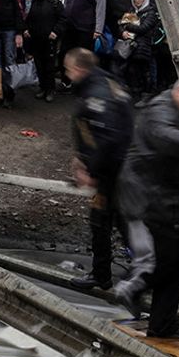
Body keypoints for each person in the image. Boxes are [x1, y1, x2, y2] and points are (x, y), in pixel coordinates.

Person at [115, 65, 179, 336]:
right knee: (168, 260)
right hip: (150, 200)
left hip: (173, 201)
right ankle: (133, 286)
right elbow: (165, 137)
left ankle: (162, 323)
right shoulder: (159, 109)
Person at [66, 48, 135, 292]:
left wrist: (91, 171)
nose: (68, 75)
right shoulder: (106, 83)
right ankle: (103, 273)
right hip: (116, 168)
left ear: (78, 69)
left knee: (118, 223)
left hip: (113, 171)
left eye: (69, 70)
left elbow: (106, 137)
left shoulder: (98, 94)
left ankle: (136, 277)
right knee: (105, 222)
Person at [25, 0, 65, 102]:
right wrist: (25, 29)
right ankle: (42, 88)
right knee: (39, 65)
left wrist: (56, 32)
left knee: (49, 67)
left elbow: (63, 20)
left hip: (50, 40)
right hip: (35, 39)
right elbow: (26, 18)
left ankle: (50, 90)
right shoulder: (31, 3)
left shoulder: (56, 4)